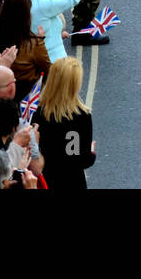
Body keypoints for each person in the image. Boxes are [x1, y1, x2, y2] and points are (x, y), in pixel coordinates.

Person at [35, 56, 97, 189]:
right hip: (74, 181)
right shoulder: (83, 116)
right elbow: (84, 160)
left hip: (48, 179)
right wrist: (91, 153)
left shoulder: (40, 114)